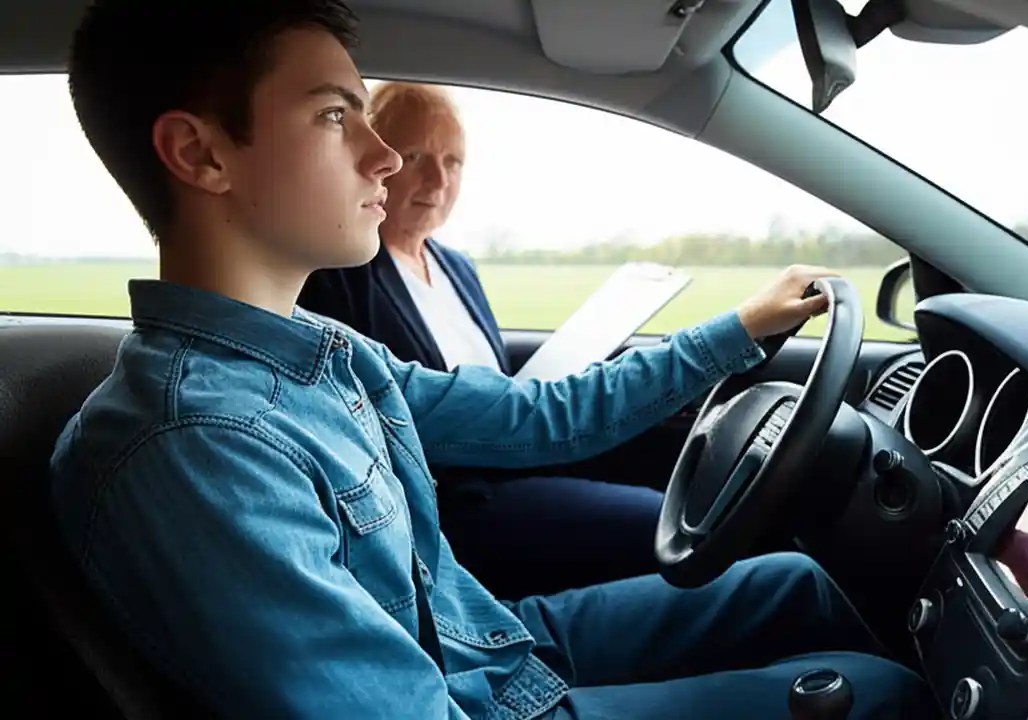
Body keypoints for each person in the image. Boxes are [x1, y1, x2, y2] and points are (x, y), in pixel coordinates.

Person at [49, 1, 933, 718]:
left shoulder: (329, 354)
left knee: (796, 583)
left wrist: (738, 328)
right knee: (883, 695)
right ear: (201, 154)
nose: (385, 157)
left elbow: (545, 419)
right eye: (333, 115)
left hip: (490, 645)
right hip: (481, 701)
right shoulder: (197, 442)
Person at [298, 82, 666, 600]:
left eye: (454, 161)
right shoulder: (341, 275)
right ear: (376, 161)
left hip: (516, 460)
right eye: (416, 156)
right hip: (457, 503)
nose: (437, 179)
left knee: (671, 493)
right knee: (665, 525)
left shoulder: (457, 267)